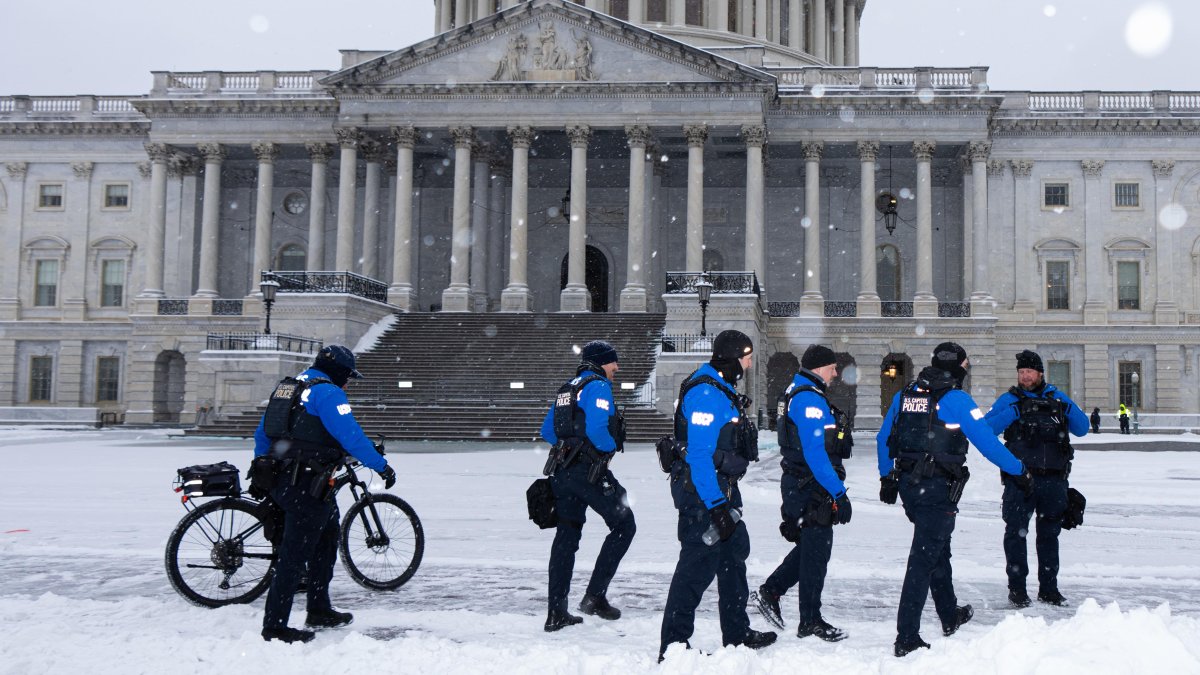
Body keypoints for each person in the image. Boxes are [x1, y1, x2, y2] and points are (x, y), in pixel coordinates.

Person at [877, 342, 1032, 658]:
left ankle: (949, 615)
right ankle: (907, 636)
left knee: (937, 550)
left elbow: (883, 438)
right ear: (958, 366)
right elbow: (986, 442)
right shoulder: (957, 399)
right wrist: (1019, 470)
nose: (968, 367)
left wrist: (886, 476)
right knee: (923, 560)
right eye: (966, 363)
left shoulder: (905, 394)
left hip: (909, 484)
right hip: (936, 488)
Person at [250, 345, 395, 644]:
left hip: (284, 478)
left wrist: (263, 463)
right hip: (306, 483)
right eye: (348, 377)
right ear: (339, 372)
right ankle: (275, 626)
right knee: (293, 555)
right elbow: (350, 435)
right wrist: (381, 466)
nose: (348, 383)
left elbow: (263, 433)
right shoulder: (328, 393)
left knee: (328, 538)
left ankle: (318, 608)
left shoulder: (287, 387)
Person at [659, 330, 777, 660]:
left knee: (733, 555)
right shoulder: (706, 395)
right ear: (732, 358)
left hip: (721, 490)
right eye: (746, 357)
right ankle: (672, 648)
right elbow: (698, 455)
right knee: (696, 567)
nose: (750, 363)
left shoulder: (720, 390)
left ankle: (737, 633)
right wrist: (716, 507)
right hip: (702, 495)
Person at [752, 344, 852, 642]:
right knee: (817, 551)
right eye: (833, 367)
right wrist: (838, 493)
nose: (836, 373)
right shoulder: (809, 399)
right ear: (820, 367)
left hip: (802, 483)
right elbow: (815, 453)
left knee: (813, 547)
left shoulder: (800, 391)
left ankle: (772, 591)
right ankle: (809, 619)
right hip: (810, 485)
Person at [538, 340, 635, 632]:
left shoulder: (568, 387)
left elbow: (547, 431)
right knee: (624, 526)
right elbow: (596, 428)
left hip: (562, 473)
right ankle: (594, 596)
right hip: (588, 472)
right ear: (602, 362)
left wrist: (568, 448)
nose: (616, 367)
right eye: (613, 362)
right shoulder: (598, 385)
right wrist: (605, 448)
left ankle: (556, 611)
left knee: (566, 539)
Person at [985, 350, 1090, 608]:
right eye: (1021, 372)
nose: (1025, 376)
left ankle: (1049, 589)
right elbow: (986, 429)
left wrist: (1065, 408)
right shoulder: (1010, 399)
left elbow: (1082, 428)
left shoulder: (1056, 396)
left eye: (1029, 372)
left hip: (1054, 480)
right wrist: (1015, 412)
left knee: (1049, 536)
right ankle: (1018, 590)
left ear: (1040, 373)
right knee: (1015, 534)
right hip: (1021, 479)